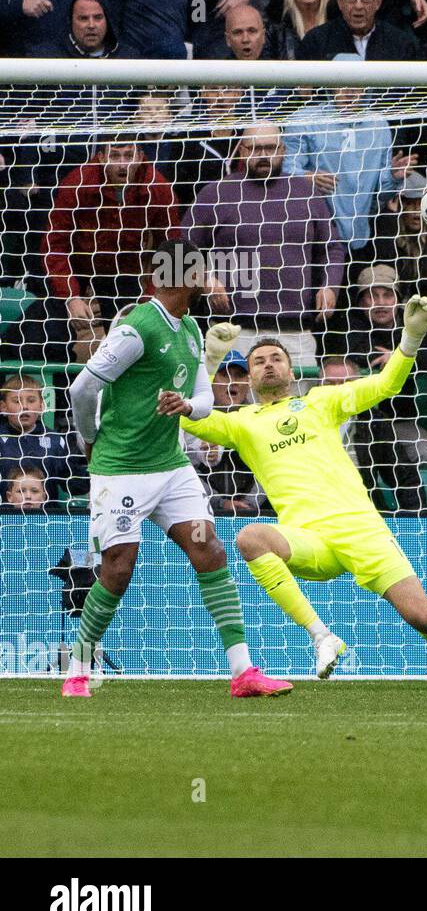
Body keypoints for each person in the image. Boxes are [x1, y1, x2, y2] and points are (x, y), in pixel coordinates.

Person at [180, 299, 427, 688]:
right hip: (308, 538)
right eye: (258, 361)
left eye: (276, 358)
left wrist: (411, 337)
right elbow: (184, 415)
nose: (268, 365)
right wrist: (208, 361)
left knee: (422, 618)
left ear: (291, 370)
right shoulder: (241, 423)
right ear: (249, 378)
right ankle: (322, 637)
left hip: (361, 530)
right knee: (250, 537)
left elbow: (385, 384)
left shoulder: (320, 402)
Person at [62, 240, 292, 699]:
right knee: (118, 568)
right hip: (123, 469)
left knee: (208, 550)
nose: (208, 278)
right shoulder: (136, 329)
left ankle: (243, 673)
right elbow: (81, 389)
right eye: (201, 271)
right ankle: (79, 667)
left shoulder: (189, 328)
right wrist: (92, 441)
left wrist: (186, 404)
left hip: (171, 467)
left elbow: (204, 399)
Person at [185, 123, 345, 378]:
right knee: (236, 414)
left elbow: (332, 249)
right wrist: (205, 279)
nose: (263, 155)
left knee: (295, 414)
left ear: (282, 150)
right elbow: (176, 252)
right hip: (233, 331)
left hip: (296, 331)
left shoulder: (306, 193)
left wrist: (329, 286)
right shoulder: (215, 193)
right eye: (255, 148)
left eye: (270, 148)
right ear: (240, 151)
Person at [321, 264, 427, 512]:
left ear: (398, 299)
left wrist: (400, 356)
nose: (380, 302)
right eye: (372, 295)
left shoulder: (416, 323)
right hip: (356, 418)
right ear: (360, 302)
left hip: (401, 420)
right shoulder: (348, 325)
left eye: (387, 295)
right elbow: (355, 356)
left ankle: (416, 516)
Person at [43, 137, 180, 328]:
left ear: (140, 157)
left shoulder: (158, 187)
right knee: (50, 331)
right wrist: (70, 296)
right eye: (115, 156)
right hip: (76, 264)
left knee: (135, 330)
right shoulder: (77, 183)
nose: (122, 164)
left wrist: (151, 298)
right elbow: (54, 245)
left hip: (124, 269)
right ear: (100, 157)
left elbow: (172, 249)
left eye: (128, 156)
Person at [283, 83, 417, 253]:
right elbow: (286, 169)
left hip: (360, 236)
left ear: (366, 89)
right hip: (311, 234)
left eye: (356, 86)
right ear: (331, 86)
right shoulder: (304, 120)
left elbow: (381, 195)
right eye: (342, 85)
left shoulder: (379, 126)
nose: (349, 92)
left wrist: (393, 177)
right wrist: (306, 177)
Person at [183, 350, 265, 517]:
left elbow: (272, 467)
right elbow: (181, 470)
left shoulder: (261, 418)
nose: (232, 382)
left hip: (255, 511)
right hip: (201, 511)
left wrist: (249, 504)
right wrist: (219, 503)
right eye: (225, 375)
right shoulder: (191, 418)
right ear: (210, 381)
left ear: (248, 382)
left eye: (239, 376)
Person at [297, 0, 420, 60]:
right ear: (340, 2)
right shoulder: (316, 40)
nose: (358, 5)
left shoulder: (400, 43)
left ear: (378, 2)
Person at [0, 373, 87, 501]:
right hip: (5, 516)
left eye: (31, 400)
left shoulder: (55, 441)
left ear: (41, 406)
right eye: (17, 401)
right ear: (3, 407)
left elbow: (74, 484)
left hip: (47, 517)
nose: (25, 406)